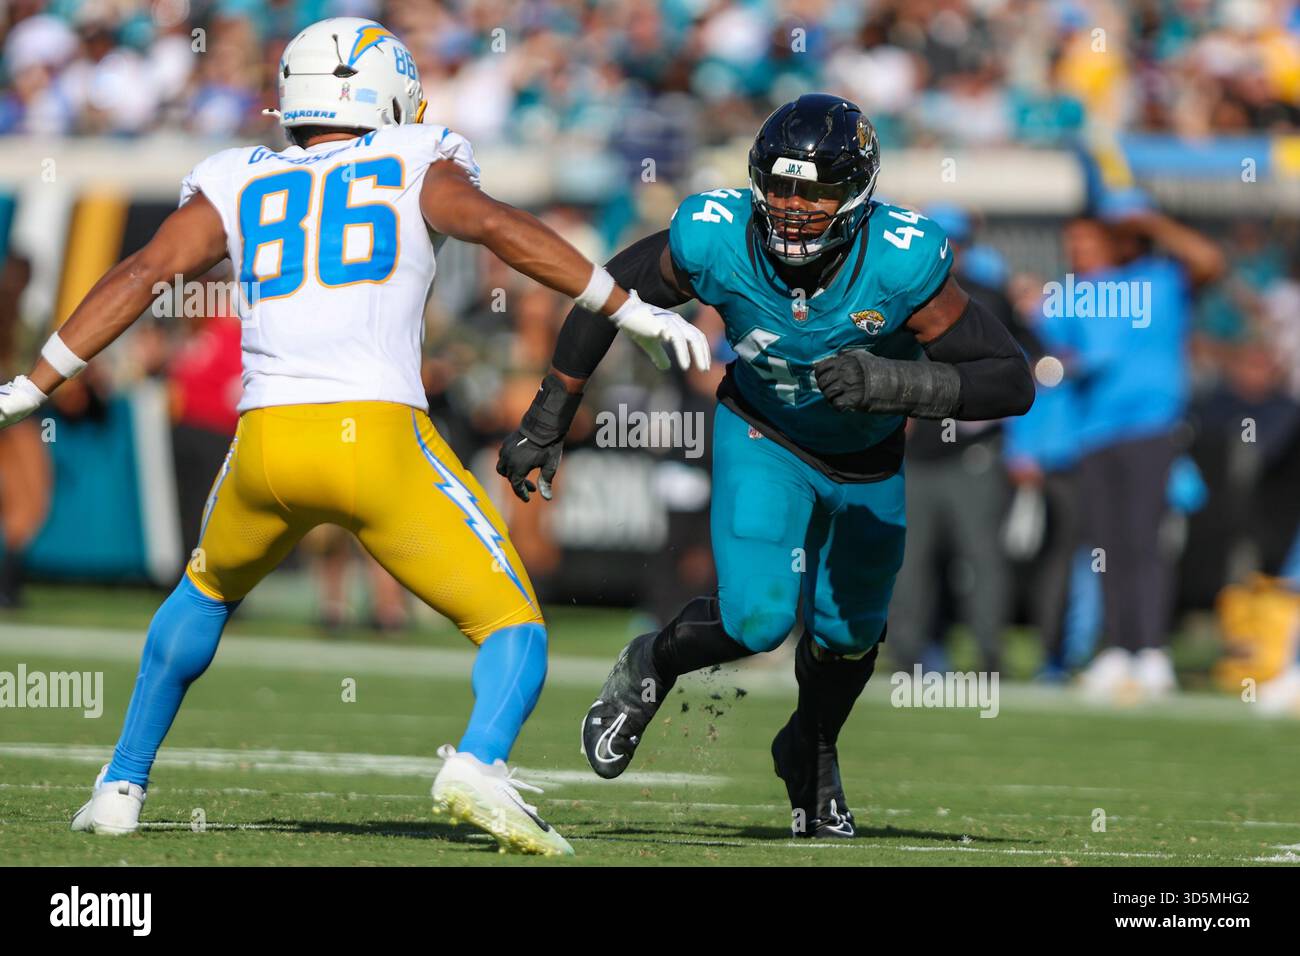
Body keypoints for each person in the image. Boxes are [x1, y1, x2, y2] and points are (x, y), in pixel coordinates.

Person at [0, 17, 709, 856]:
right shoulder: (416, 157)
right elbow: (494, 227)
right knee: (513, 624)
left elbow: (143, 273)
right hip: (374, 435)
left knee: (202, 594)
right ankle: (478, 763)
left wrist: (30, 384)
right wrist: (627, 307)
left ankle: (119, 786)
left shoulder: (238, 177)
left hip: (265, 442)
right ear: (388, 95)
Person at [497, 93, 1034, 837]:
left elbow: (1013, 379)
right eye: (780, 187)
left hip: (870, 461)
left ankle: (810, 749)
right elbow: (605, 298)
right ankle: (654, 659)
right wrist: (549, 413)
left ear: (858, 192)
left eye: (815, 191)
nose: (792, 206)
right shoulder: (714, 237)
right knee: (759, 619)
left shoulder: (903, 258)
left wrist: (900, 383)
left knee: (849, 636)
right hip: (765, 437)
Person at [1050, 191, 1226, 700]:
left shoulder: (1163, 279)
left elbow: (1210, 261)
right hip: (1093, 433)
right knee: (1106, 545)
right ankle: (1119, 649)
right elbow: (1052, 356)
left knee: (1144, 543)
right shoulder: (1080, 291)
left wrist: (1154, 221)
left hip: (1151, 430)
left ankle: (1150, 651)